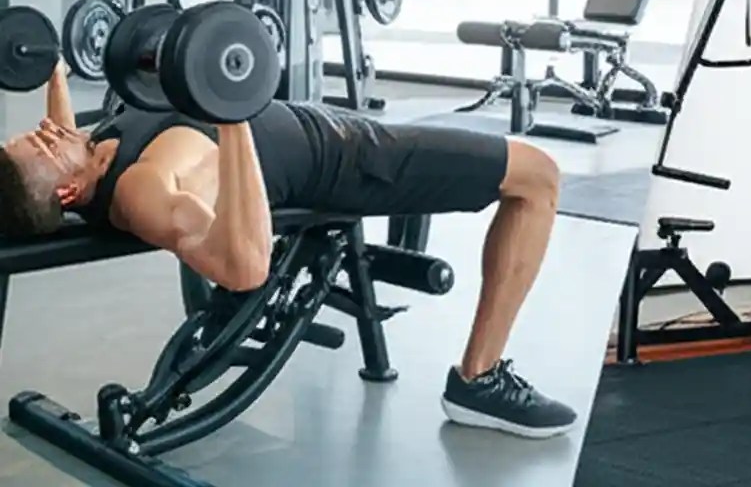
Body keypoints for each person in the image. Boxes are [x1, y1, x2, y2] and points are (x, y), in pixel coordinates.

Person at [0, 60, 577, 441]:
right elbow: (246, 267)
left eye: (37, 131)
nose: (51, 131)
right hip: (351, 161)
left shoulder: (90, 150)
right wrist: (230, 116)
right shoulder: (141, 188)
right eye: (46, 145)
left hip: (320, 122)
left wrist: (50, 64)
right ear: (70, 193)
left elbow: (56, 148)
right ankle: (479, 381)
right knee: (539, 176)